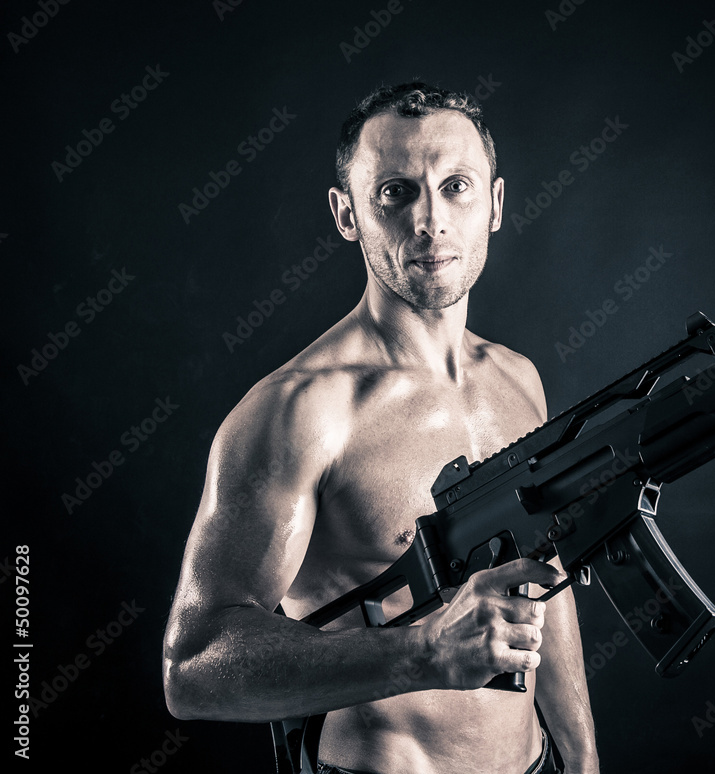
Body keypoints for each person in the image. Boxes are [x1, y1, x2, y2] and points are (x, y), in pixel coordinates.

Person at [162, 82, 600, 774]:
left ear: (496, 204)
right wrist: (424, 652)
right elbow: (193, 667)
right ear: (347, 214)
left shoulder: (519, 380)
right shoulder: (298, 412)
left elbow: (547, 583)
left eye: (456, 186)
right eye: (396, 192)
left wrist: (581, 760)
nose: (431, 221)